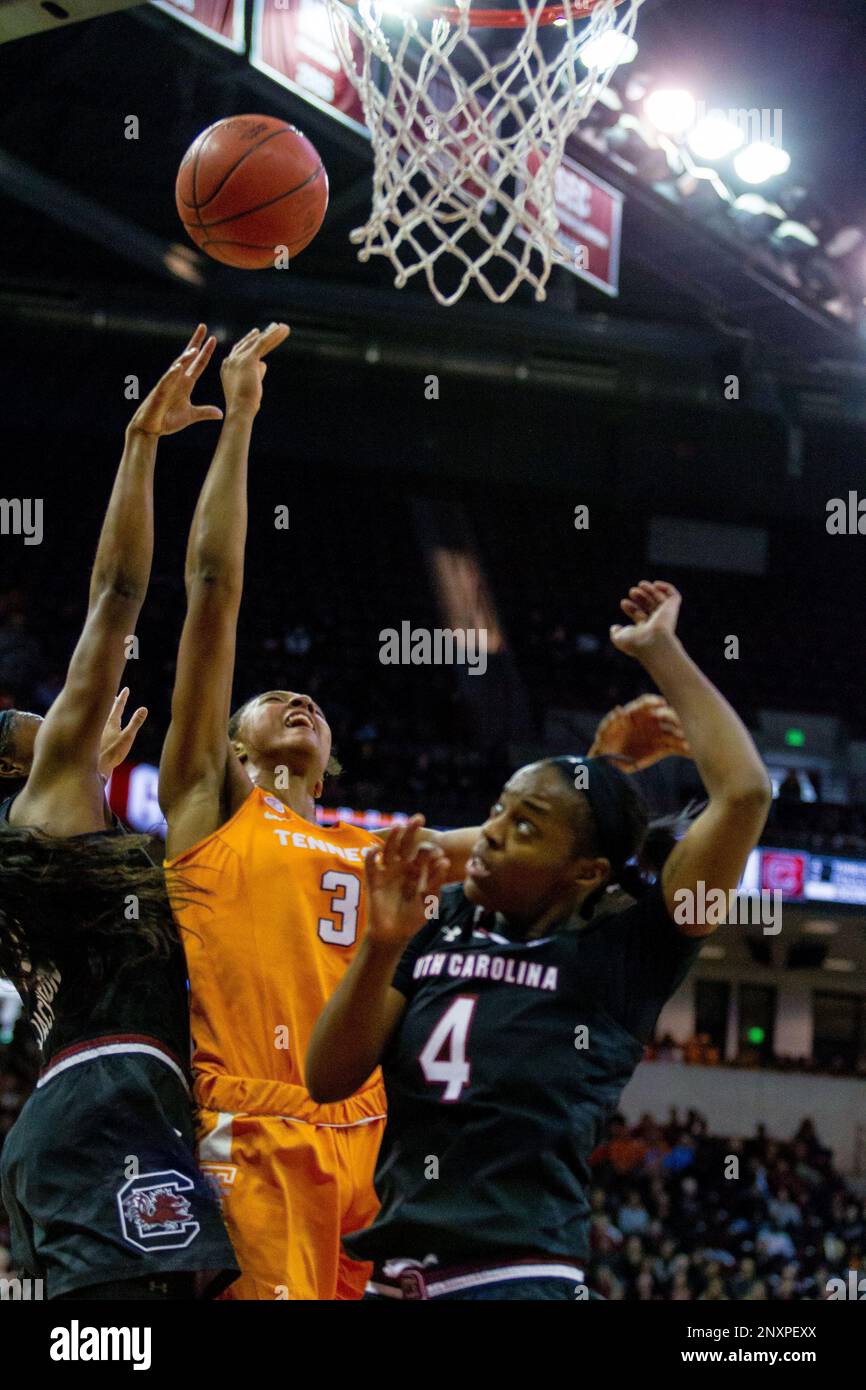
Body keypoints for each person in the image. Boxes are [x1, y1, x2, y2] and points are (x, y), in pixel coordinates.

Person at [158, 324, 693, 1300]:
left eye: (309, 703)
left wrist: (602, 766)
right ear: (230, 751)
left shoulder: (379, 850)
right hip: (258, 1124)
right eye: (269, 702)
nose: (298, 702)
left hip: (379, 1138)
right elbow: (213, 593)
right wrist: (238, 422)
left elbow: (516, 842)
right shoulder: (212, 810)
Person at [306, 578, 772, 1300]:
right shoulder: (440, 917)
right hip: (391, 1279)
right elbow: (326, 1081)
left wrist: (661, 653)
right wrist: (379, 945)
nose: (491, 832)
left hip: (516, 1277)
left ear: (586, 873)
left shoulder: (627, 949)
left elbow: (743, 794)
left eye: (521, 827)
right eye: (497, 810)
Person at [0, 326, 237, 1300]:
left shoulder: (56, 815)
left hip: (86, 1118)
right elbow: (117, 594)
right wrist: (141, 445)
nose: (47, 714)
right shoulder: (45, 799)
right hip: (109, 1104)